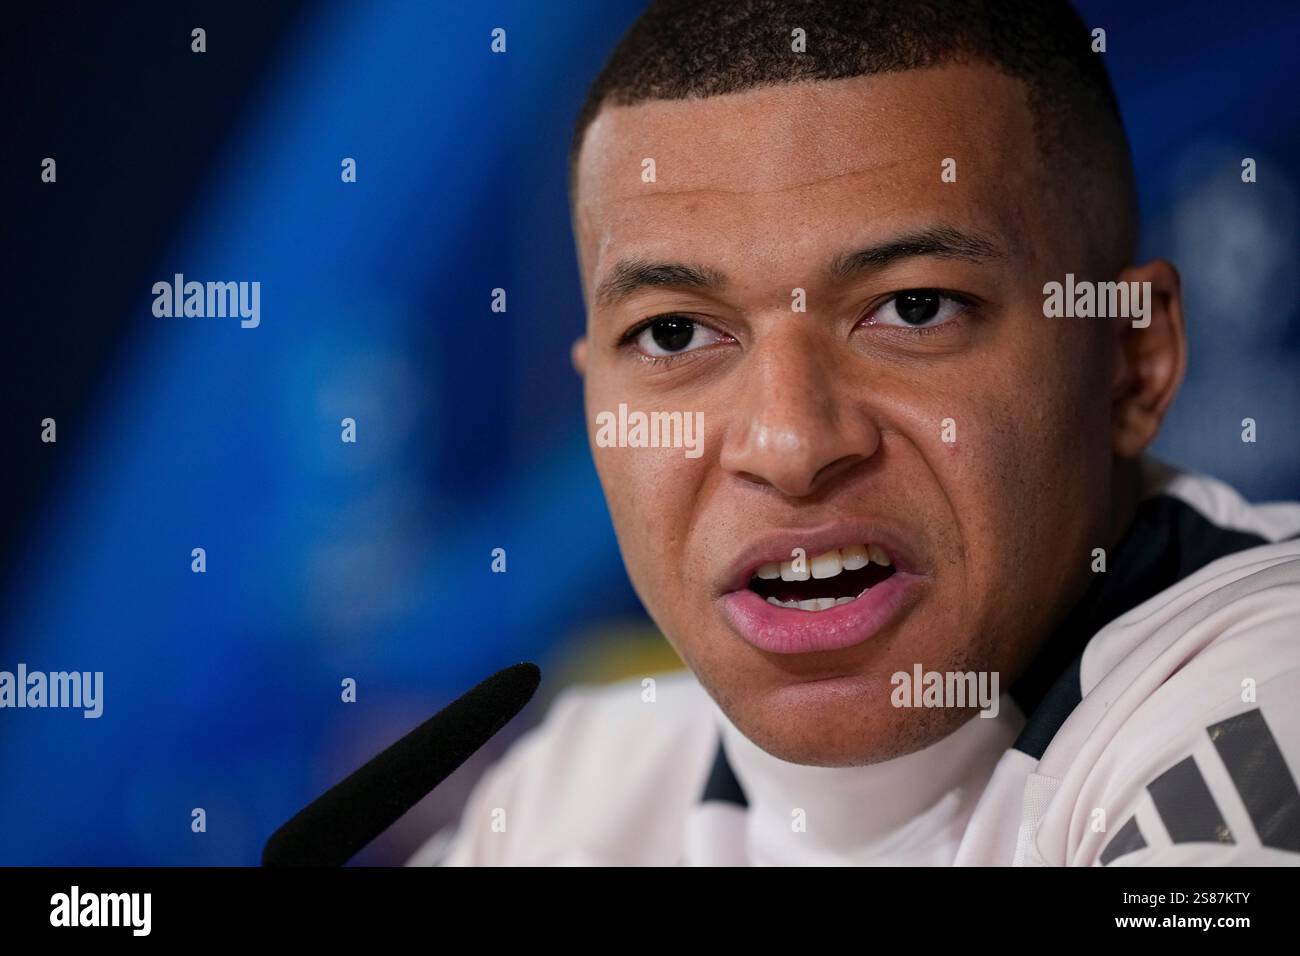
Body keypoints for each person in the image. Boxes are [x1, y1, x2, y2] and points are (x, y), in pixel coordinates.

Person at [410, 0, 1300, 866]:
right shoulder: (573, 793)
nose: (790, 446)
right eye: (674, 332)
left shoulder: (1266, 697)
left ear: (1131, 362)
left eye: (914, 310)